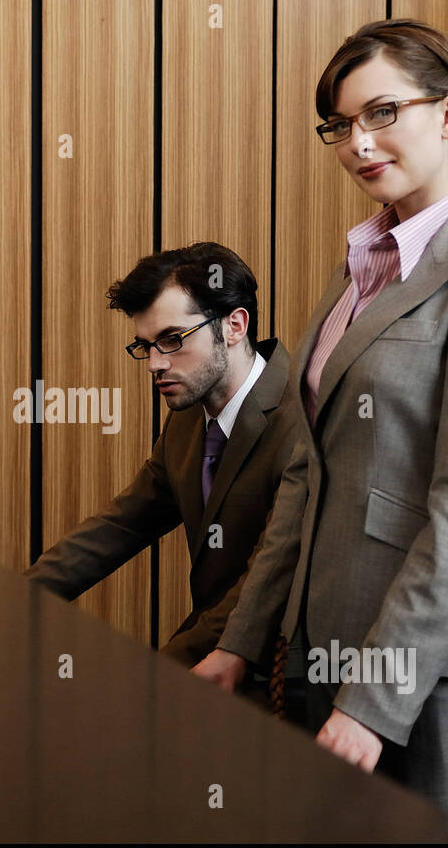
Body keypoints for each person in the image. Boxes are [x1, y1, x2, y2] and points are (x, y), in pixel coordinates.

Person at [192, 19, 448, 816]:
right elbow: (305, 479)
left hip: (427, 672)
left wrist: (376, 697)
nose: (358, 142)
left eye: (382, 112)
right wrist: (240, 642)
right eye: (340, 125)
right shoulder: (355, 273)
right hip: (322, 655)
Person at [27, 242, 305, 714]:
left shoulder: (302, 418)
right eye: (145, 346)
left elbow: (267, 574)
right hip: (211, 650)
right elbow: (119, 526)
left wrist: (156, 676)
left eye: (173, 340)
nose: (155, 363)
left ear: (234, 326)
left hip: (276, 674)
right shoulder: (188, 416)